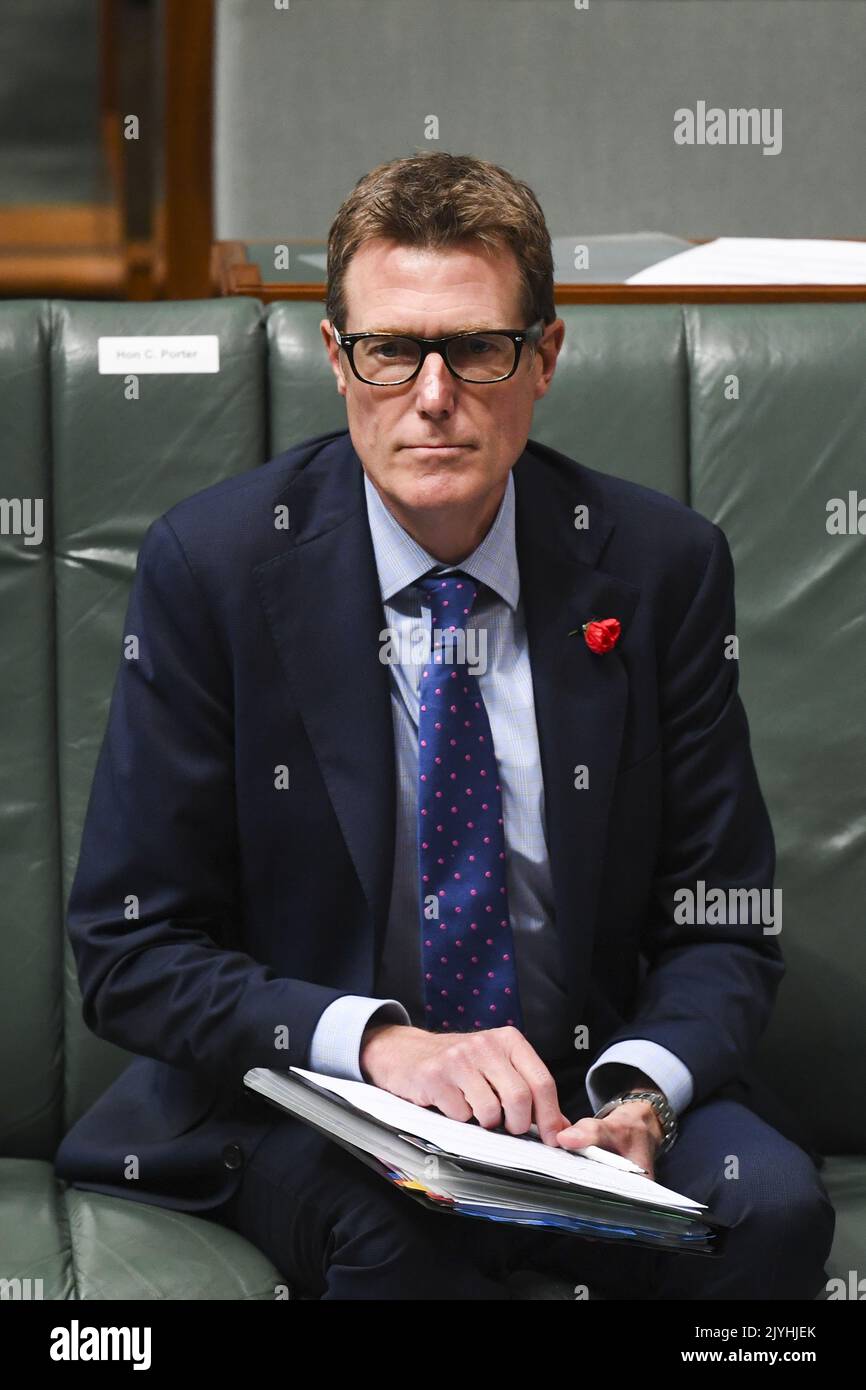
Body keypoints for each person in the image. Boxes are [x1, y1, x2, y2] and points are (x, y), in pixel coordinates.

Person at [54, 152, 834, 1299]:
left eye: (475, 348)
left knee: (768, 1214)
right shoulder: (213, 568)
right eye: (388, 350)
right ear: (336, 358)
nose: (431, 395)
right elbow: (128, 951)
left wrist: (640, 1100)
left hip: (578, 1091)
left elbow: (720, 919)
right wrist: (379, 1044)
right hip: (309, 1101)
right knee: (404, 1244)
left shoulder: (658, 569)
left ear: (543, 358)